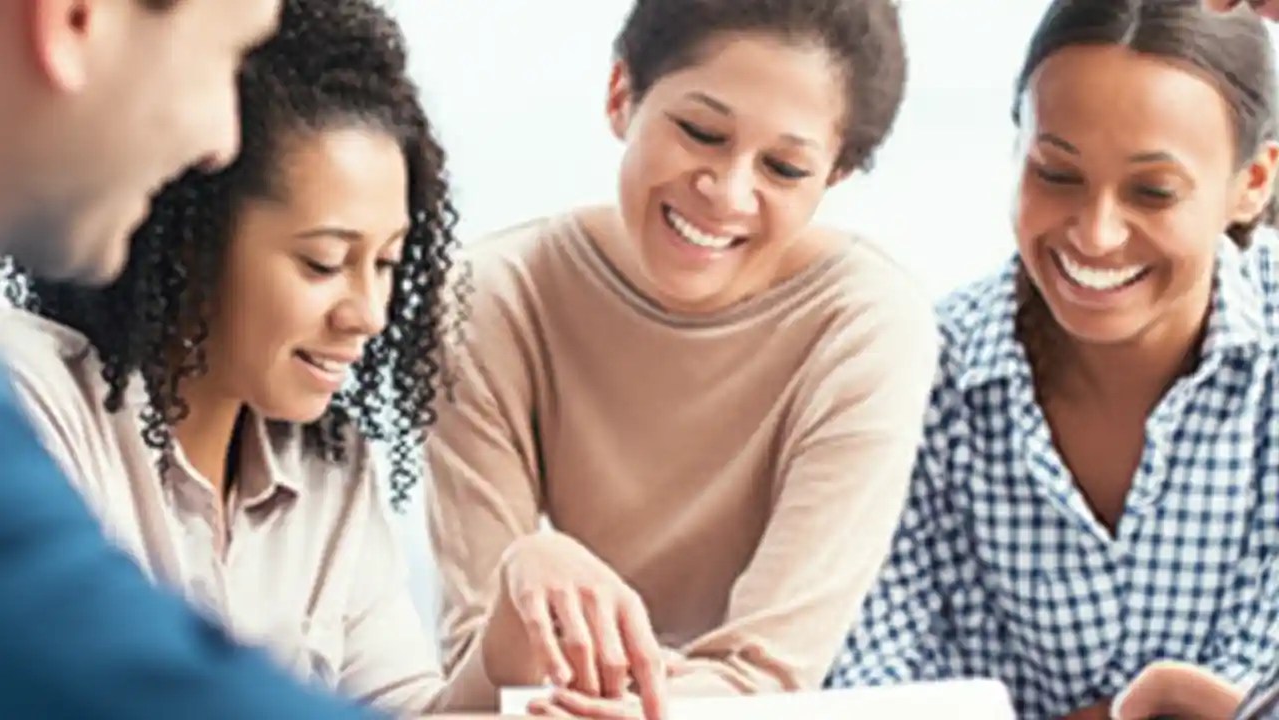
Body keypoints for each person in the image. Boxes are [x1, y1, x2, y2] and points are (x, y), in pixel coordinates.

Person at [0, 0, 548, 716]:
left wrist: (495, 665)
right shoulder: (32, 397)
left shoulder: (329, 470)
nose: (369, 314)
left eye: (387, 263)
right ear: (191, 238)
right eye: (323, 263)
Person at [424, 0, 938, 716]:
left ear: (836, 176)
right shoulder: (492, 299)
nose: (726, 194)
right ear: (620, 95)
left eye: (785, 168)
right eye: (700, 132)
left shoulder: (867, 329)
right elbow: (487, 662)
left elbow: (771, 671)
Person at [827, 1, 1279, 719]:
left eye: (1153, 191)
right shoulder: (920, 374)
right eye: (1056, 174)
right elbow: (875, 677)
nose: (1096, 234)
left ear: (1253, 183)